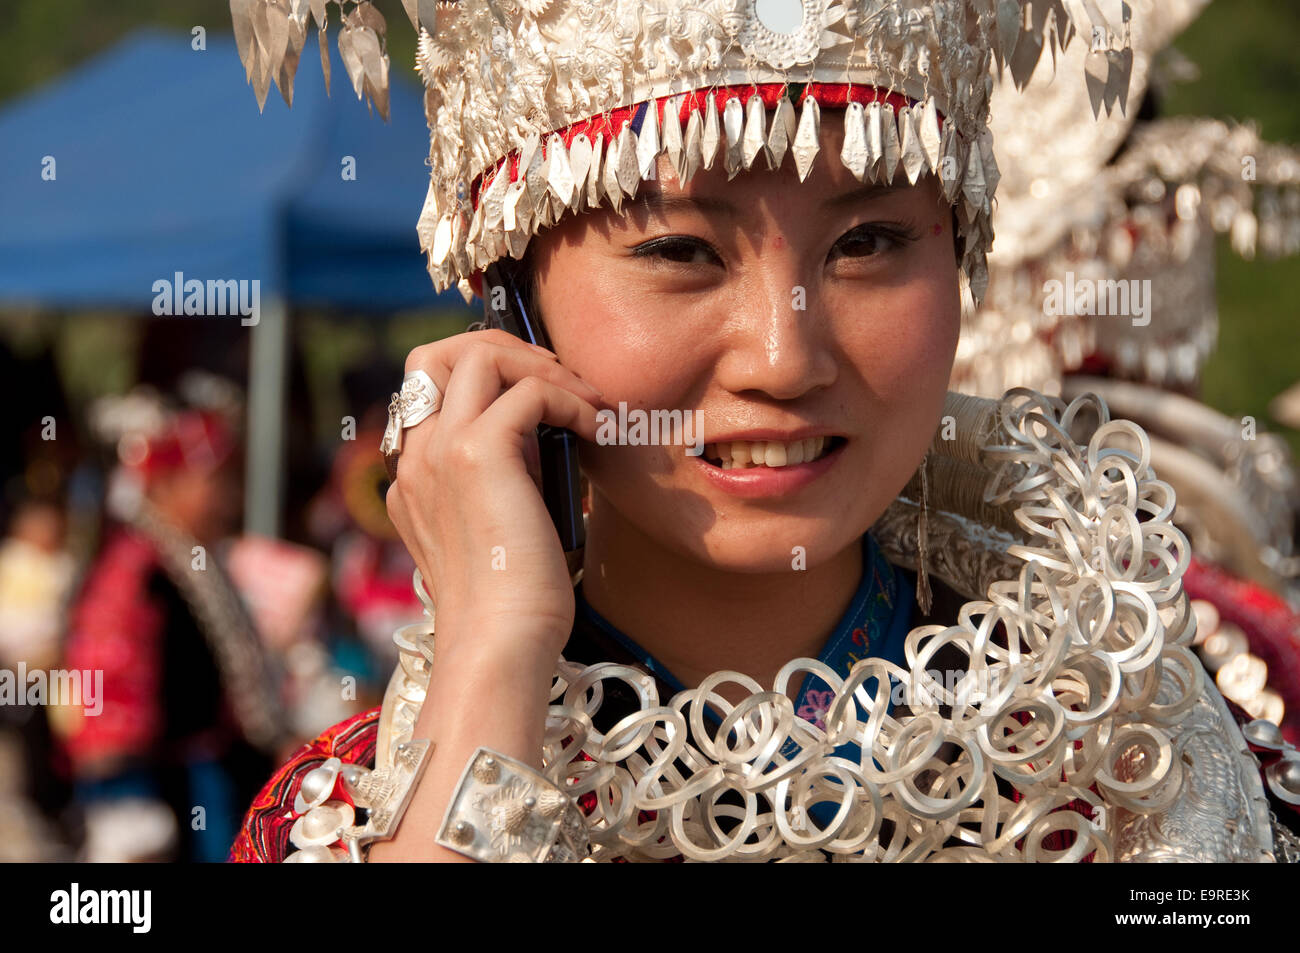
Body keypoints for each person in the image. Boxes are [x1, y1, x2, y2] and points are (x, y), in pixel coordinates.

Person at [227, 0, 1300, 863]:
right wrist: (493, 656)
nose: (784, 360)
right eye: (681, 252)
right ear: (507, 293)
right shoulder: (337, 821)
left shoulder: (1149, 756)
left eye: (872, 240)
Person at [59, 392, 288, 861]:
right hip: (166, 789)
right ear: (164, 485)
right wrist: (124, 796)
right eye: (215, 480)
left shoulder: (190, 558)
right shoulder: (135, 569)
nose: (230, 497)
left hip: (207, 777)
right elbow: (107, 683)